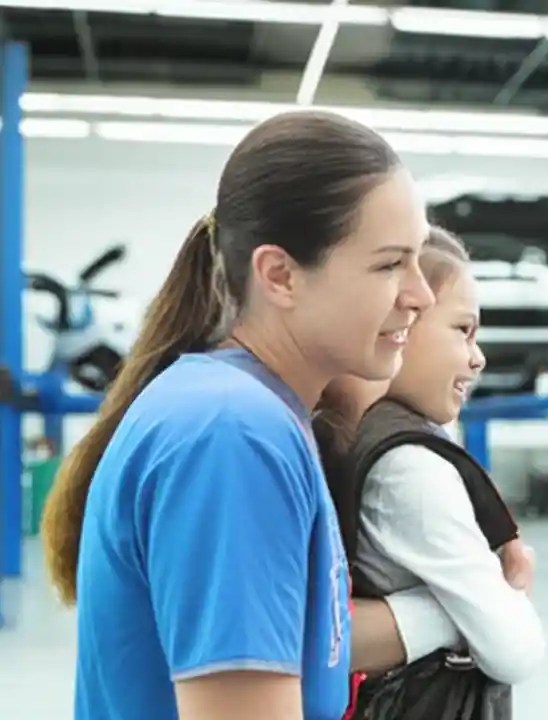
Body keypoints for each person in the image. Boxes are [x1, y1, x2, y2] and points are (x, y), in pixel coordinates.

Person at [40, 110, 449, 720]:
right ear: (280, 276)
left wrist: (462, 600)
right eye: (390, 264)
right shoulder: (233, 436)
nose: (422, 294)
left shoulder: (254, 411)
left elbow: (311, 644)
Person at [317, 226, 544, 714]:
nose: (478, 358)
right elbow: (515, 649)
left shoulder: (366, 437)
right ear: (402, 322)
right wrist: (503, 593)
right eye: (464, 330)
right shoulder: (410, 468)